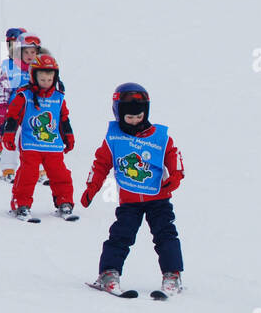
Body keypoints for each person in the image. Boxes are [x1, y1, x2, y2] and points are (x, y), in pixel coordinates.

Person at [80, 84, 186, 295]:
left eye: (139, 116)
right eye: (129, 118)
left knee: (166, 235)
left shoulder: (160, 136)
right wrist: (92, 187)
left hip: (159, 198)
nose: (135, 121)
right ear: (118, 114)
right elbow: (100, 163)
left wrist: (175, 176)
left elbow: (173, 156)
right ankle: (108, 273)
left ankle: (172, 275)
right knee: (120, 235)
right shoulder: (114, 138)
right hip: (130, 201)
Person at [1, 54, 74, 219]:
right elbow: (13, 117)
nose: (46, 83)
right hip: (31, 144)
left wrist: (68, 137)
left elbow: (63, 119)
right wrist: (9, 136)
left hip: (53, 145)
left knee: (60, 174)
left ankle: (64, 201)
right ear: (34, 77)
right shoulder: (24, 96)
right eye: (42, 79)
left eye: (50, 79)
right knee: (28, 175)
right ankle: (21, 204)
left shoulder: (58, 97)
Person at [0, 28, 29, 180]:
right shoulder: (8, 64)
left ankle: (35, 161)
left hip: (30, 106)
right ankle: (4, 147)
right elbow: (3, 85)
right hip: (13, 106)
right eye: (10, 44)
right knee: (9, 128)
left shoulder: (33, 64)